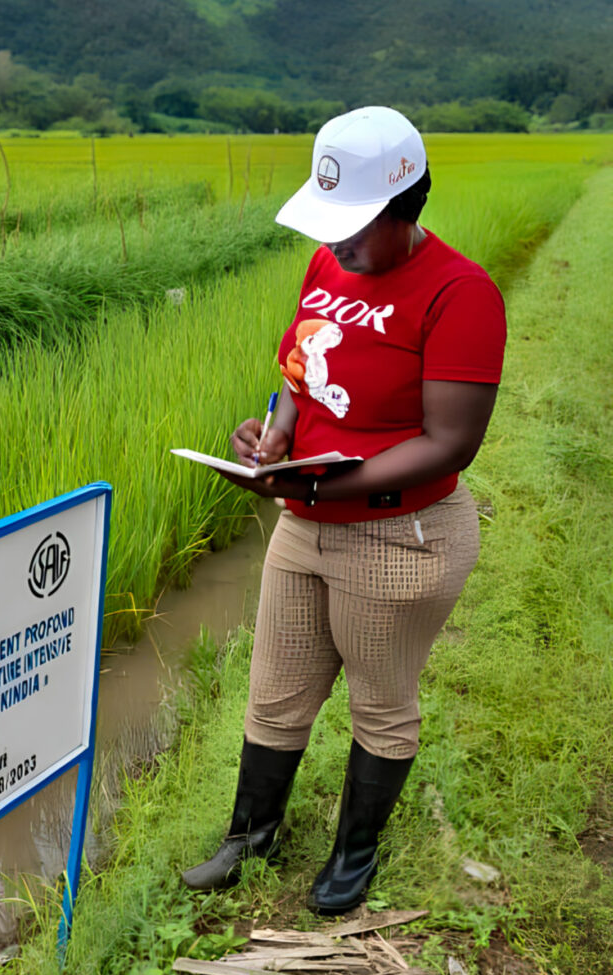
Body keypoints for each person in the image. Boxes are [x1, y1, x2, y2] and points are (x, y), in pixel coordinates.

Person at [182, 106, 507, 915]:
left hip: (400, 536)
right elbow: (299, 373)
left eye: (354, 226)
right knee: (277, 686)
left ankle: (354, 856)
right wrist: (273, 438)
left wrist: (319, 485)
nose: (337, 244)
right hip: (308, 522)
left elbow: (448, 443)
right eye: (330, 225)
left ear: (405, 206)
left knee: (381, 700)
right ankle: (250, 837)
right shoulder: (328, 269)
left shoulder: (460, 294)